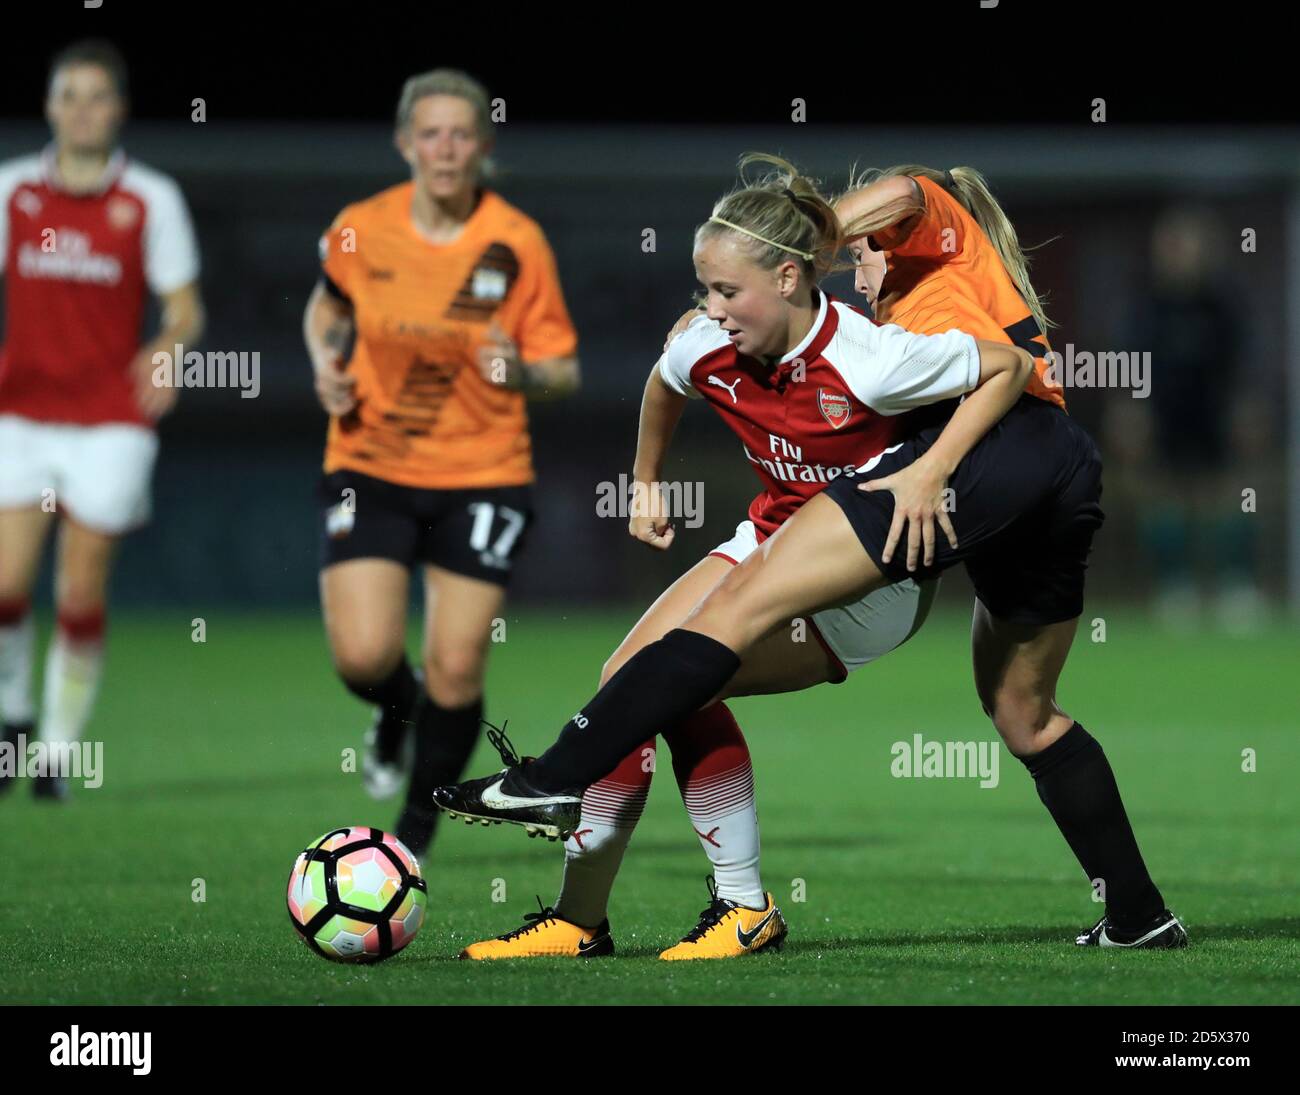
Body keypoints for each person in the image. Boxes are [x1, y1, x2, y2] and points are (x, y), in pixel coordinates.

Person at [435, 160, 1187, 951]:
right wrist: (647, 483)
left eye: (862, 254)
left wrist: (799, 230)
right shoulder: (733, 337)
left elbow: (917, 222)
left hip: (942, 510)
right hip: (847, 516)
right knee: (1014, 710)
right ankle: (581, 918)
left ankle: (568, 788)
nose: (857, 270)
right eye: (708, 291)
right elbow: (666, 380)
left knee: (701, 648)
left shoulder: (890, 323)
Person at [302, 68, 579, 855]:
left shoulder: (517, 240)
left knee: (456, 667)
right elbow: (326, 305)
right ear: (404, 142)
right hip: (369, 462)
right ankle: (396, 714)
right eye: (431, 133)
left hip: (482, 471)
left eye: (462, 134)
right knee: (362, 656)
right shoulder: (361, 226)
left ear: (482, 146)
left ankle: (413, 834)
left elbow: (563, 369)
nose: (446, 149)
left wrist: (520, 371)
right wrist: (325, 356)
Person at [0, 40, 203, 798]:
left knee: (80, 589)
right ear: (49, 106)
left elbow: (185, 305)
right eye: (68, 95)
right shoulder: (13, 189)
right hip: (19, 410)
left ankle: (55, 752)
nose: (82, 109)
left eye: (97, 96)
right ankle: (14, 715)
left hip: (111, 419)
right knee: (6, 588)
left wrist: (168, 345)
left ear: (118, 108)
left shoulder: (150, 197)